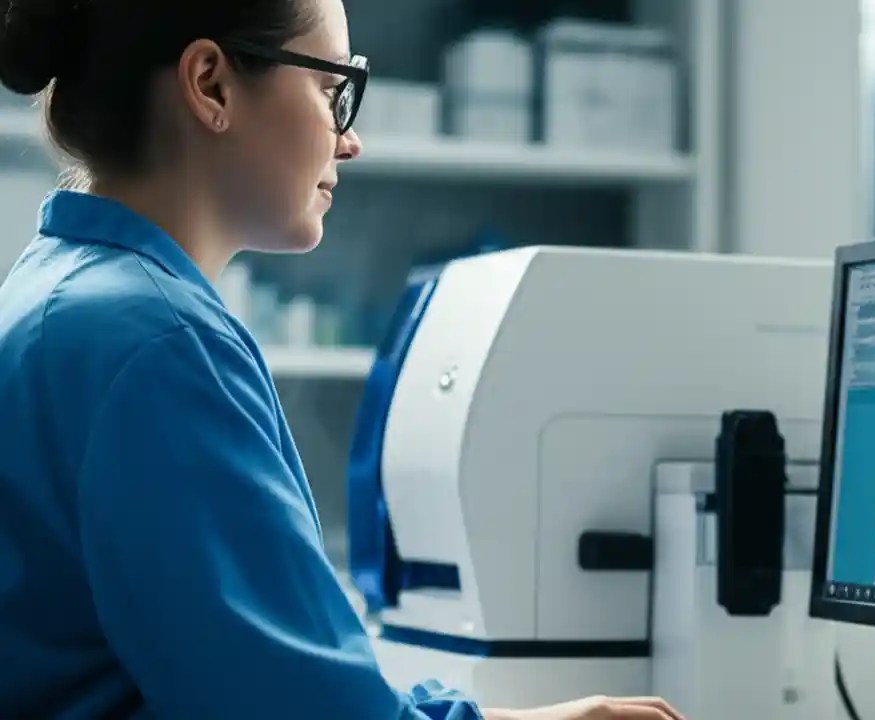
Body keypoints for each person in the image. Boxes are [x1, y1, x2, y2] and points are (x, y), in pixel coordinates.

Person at [0, 1, 684, 718]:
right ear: (211, 86)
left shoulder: (58, 294)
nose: (350, 140)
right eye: (334, 90)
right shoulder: (154, 344)